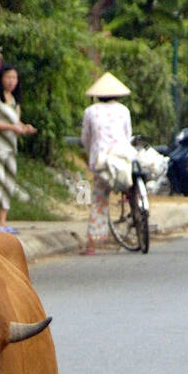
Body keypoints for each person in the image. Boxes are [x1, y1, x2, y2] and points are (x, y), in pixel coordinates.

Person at [79, 72, 133, 255]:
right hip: (122, 159)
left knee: (99, 200)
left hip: (101, 161)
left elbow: (86, 138)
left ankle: (92, 245)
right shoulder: (124, 111)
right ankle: (137, 225)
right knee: (131, 189)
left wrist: (91, 152)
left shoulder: (90, 111)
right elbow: (128, 136)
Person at [0, 64, 35, 234]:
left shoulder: (14, 101)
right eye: (8, 77)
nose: (11, 81)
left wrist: (25, 127)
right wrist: (12, 128)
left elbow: (16, 122)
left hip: (10, 148)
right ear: (1, 78)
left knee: (8, 183)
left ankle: (4, 222)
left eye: (14, 78)